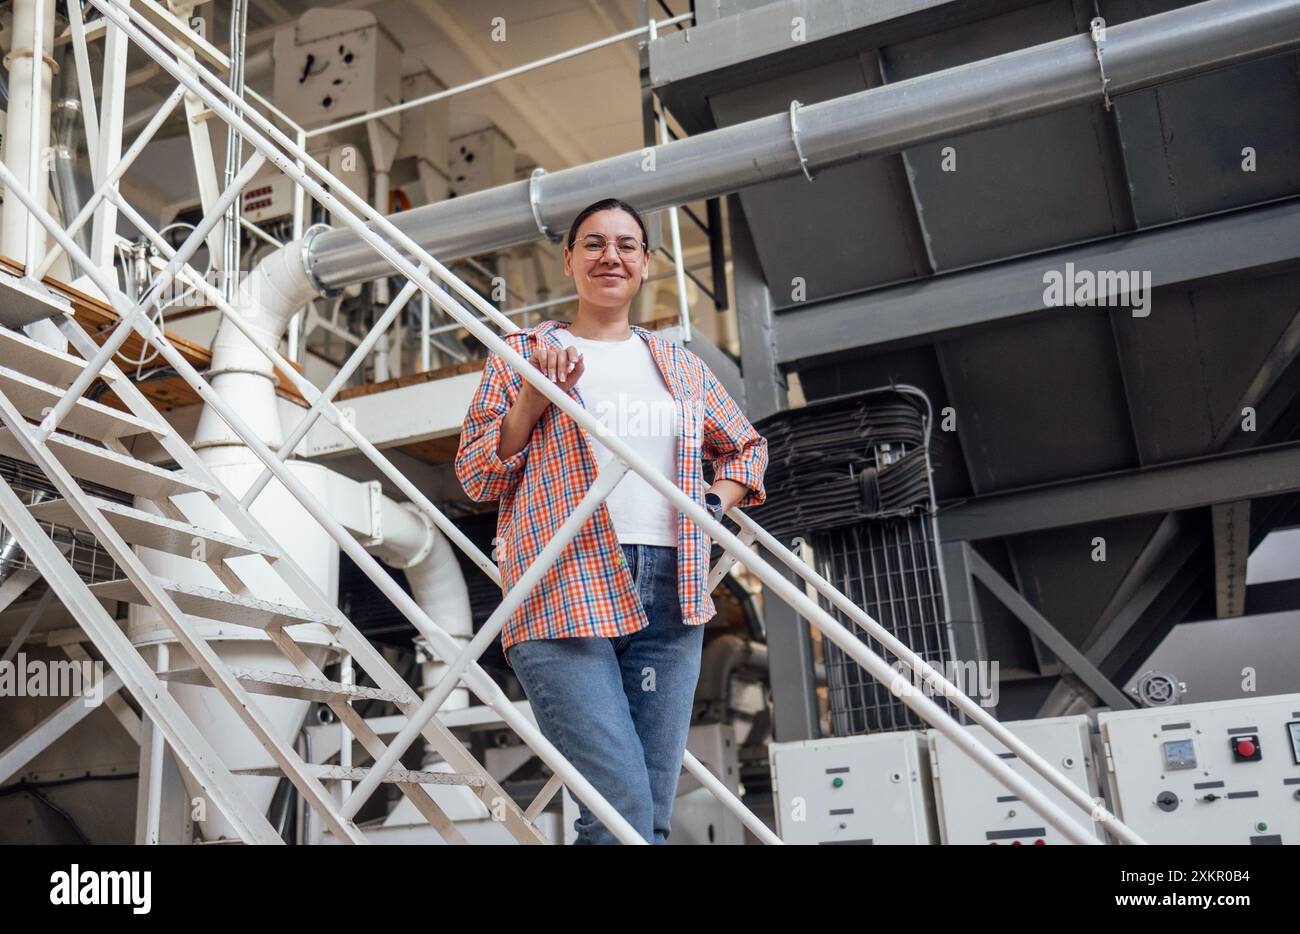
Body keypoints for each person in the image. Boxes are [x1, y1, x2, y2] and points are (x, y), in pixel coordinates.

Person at [455, 197, 768, 844]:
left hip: (671, 593)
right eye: (593, 243)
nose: (610, 256)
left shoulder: (679, 364)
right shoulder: (523, 354)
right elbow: (478, 475)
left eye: (627, 245)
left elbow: (747, 447)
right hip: (563, 583)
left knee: (647, 814)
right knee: (619, 810)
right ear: (568, 260)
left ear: (645, 264)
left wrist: (712, 504)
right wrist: (533, 401)